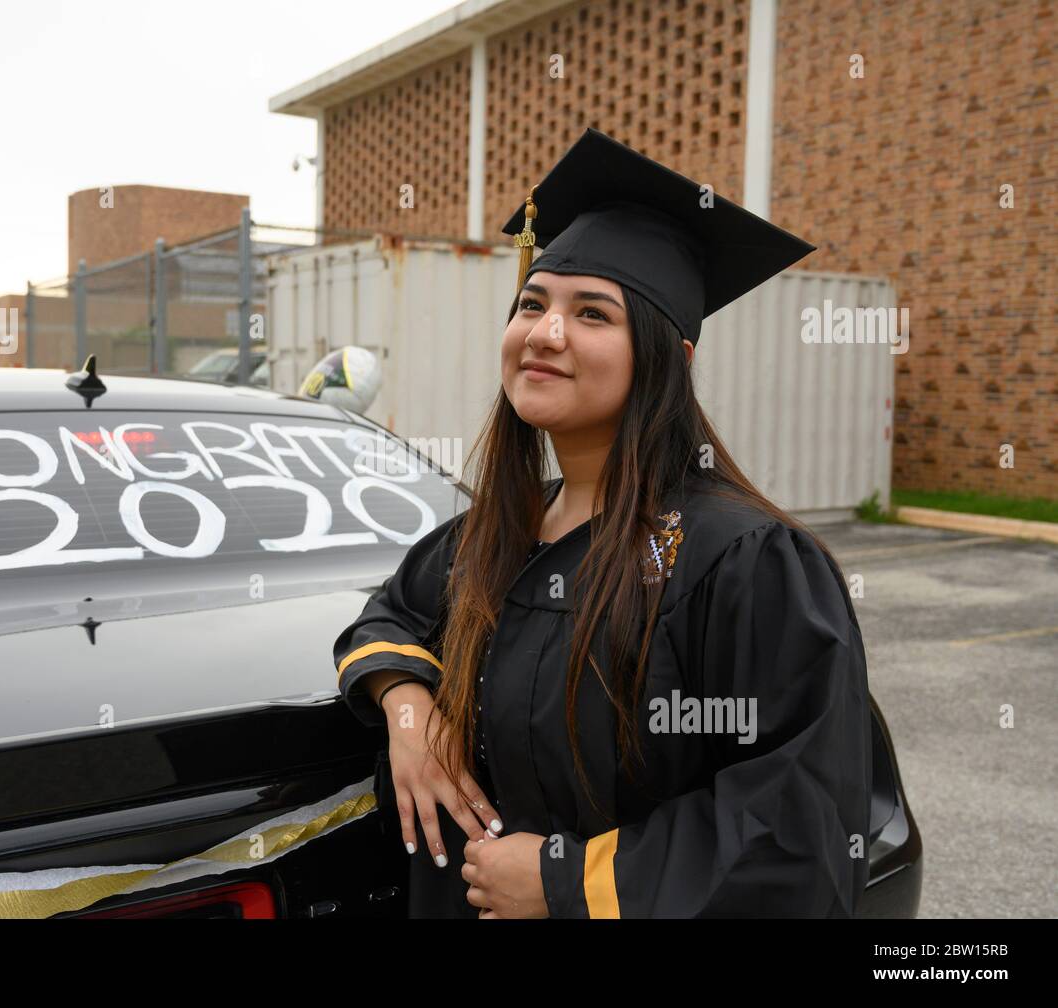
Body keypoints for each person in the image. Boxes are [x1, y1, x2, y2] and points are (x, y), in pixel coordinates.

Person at [332, 128, 872, 918]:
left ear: (669, 359)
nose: (545, 333)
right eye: (532, 305)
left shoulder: (742, 560)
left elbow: (797, 821)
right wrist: (406, 707)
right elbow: (390, 614)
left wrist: (569, 881)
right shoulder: (498, 532)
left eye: (592, 313)